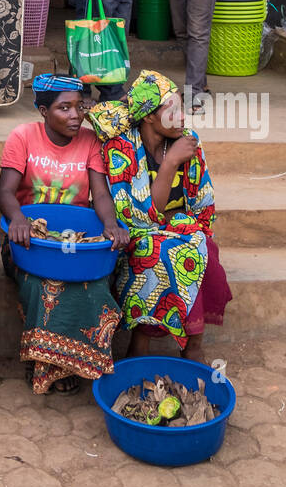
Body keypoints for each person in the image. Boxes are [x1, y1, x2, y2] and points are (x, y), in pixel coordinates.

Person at [0, 75, 129, 396]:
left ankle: (72, 361)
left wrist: (110, 223)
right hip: (29, 242)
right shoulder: (23, 137)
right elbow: (5, 193)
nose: (75, 115)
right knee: (46, 284)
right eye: (64, 108)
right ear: (43, 110)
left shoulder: (90, 142)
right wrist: (16, 219)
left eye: (79, 107)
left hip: (74, 241)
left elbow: (99, 194)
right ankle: (41, 360)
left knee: (94, 282)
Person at [87, 70, 231, 363]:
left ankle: (193, 343)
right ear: (149, 117)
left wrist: (192, 231)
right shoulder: (121, 148)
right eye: (172, 110)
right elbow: (137, 217)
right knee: (158, 252)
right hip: (136, 234)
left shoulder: (189, 141)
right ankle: (141, 343)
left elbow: (203, 202)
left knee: (200, 249)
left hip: (182, 229)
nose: (182, 117)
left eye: (182, 108)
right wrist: (170, 164)